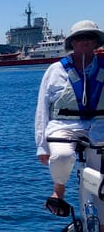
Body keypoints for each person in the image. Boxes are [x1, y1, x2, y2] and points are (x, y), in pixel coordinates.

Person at [35, 20, 104, 216]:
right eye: (80, 37)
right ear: (72, 42)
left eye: (90, 37)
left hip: (99, 126)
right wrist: (42, 145)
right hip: (64, 125)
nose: (85, 40)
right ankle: (59, 189)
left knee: (101, 183)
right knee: (62, 156)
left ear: (96, 41)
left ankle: (101, 229)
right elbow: (42, 109)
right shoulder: (55, 70)